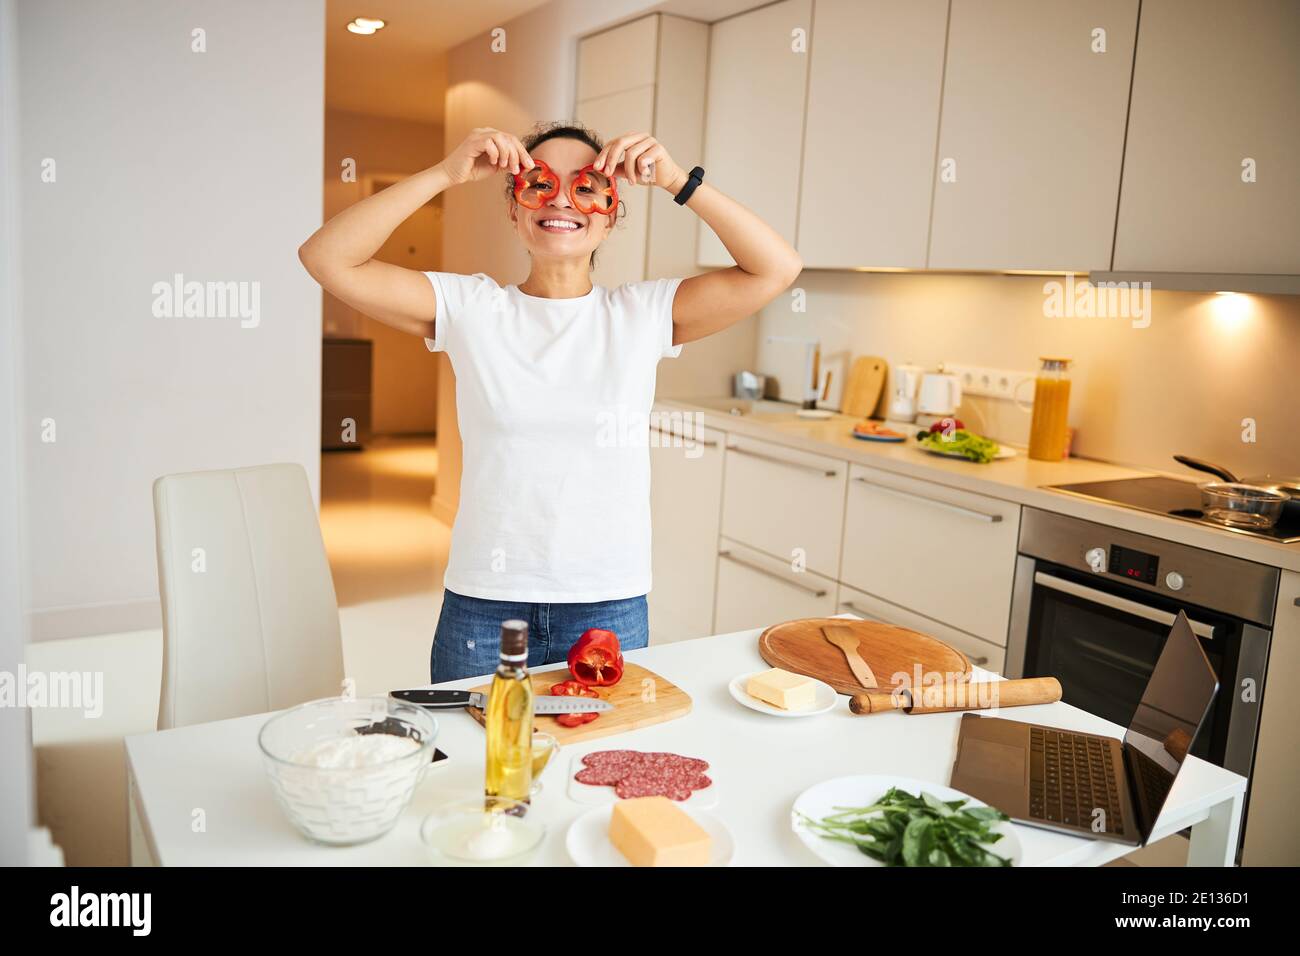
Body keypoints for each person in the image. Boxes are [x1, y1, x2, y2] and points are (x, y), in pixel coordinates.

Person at [298, 122, 801, 681]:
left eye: (586, 186)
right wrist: (446, 173)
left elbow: (777, 268)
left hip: (606, 602)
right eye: (539, 182)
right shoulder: (471, 308)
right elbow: (327, 258)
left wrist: (679, 181)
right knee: (480, 761)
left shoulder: (643, 315)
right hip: (484, 602)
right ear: (514, 210)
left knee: (598, 765)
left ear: (610, 216)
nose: (562, 199)